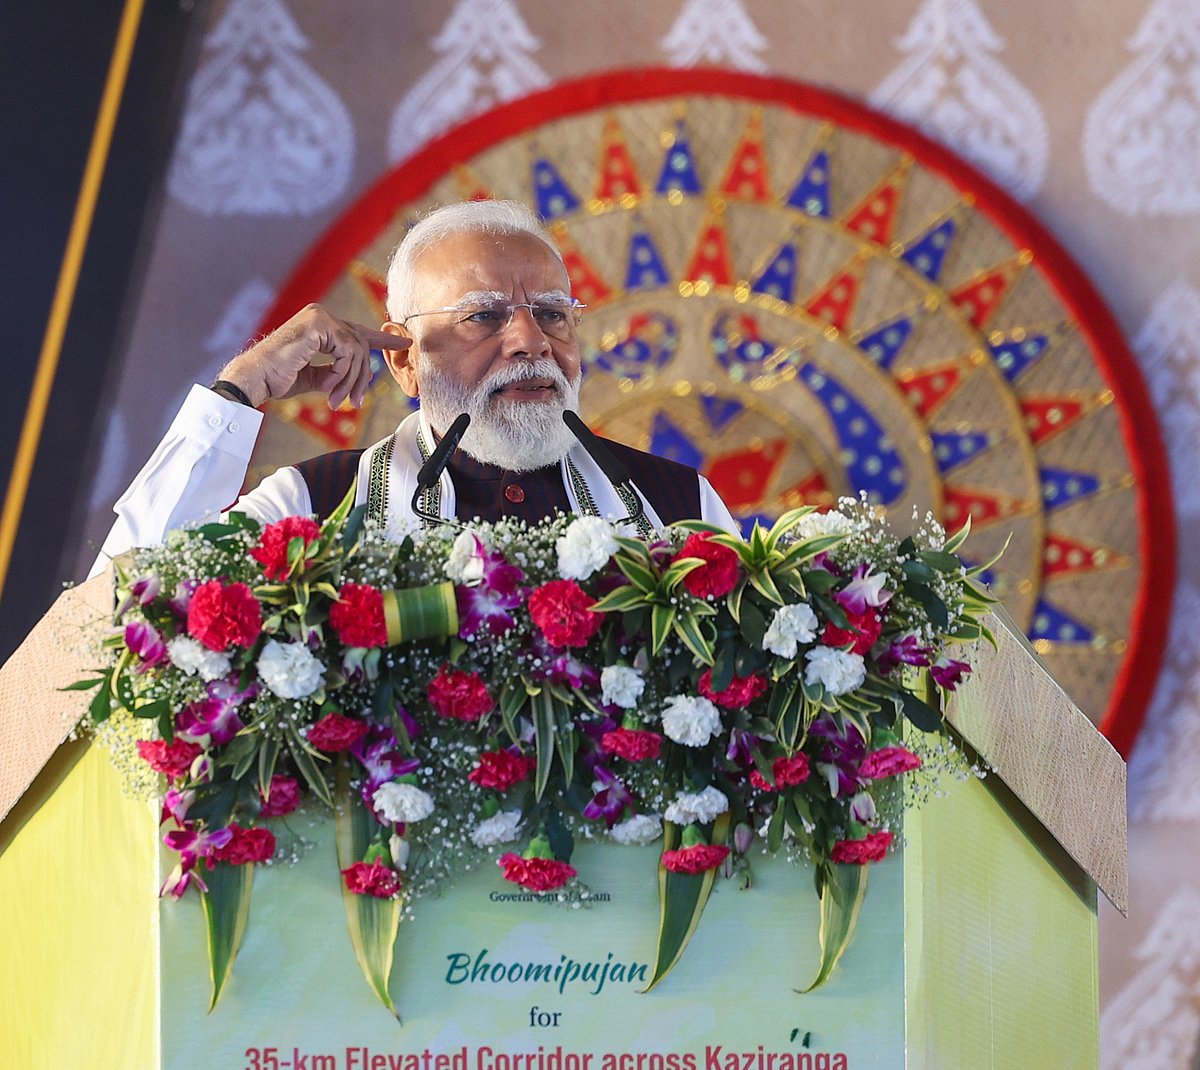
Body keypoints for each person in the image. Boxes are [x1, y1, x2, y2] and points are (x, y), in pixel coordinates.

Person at [92, 200, 735, 575]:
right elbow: (117, 617)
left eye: (551, 313)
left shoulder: (677, 508)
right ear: (404, 360)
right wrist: (240, 388)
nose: (531, 341)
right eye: (484, 316)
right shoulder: (314, 507)